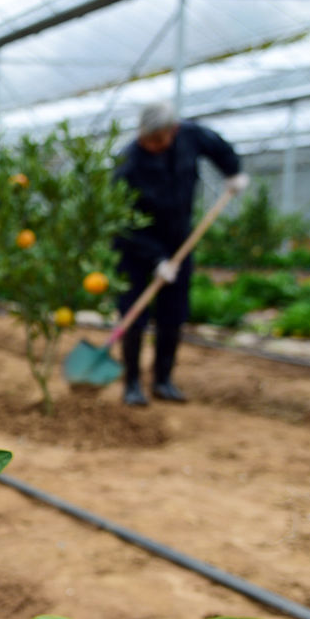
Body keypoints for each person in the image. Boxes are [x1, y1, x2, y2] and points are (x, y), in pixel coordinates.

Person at [113, 101, 249, 406]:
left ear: (172, 131)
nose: (153, 146)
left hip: (179, 241)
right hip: (135, 247)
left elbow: (219, 148)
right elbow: (120, 221)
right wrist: (154, 258)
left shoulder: (190, 135)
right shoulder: (128, 163)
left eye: (159, 140)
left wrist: (233, 172)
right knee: (133, 313)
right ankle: (132, 383)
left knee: (173, 314)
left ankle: (163, 380)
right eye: (147, 140)